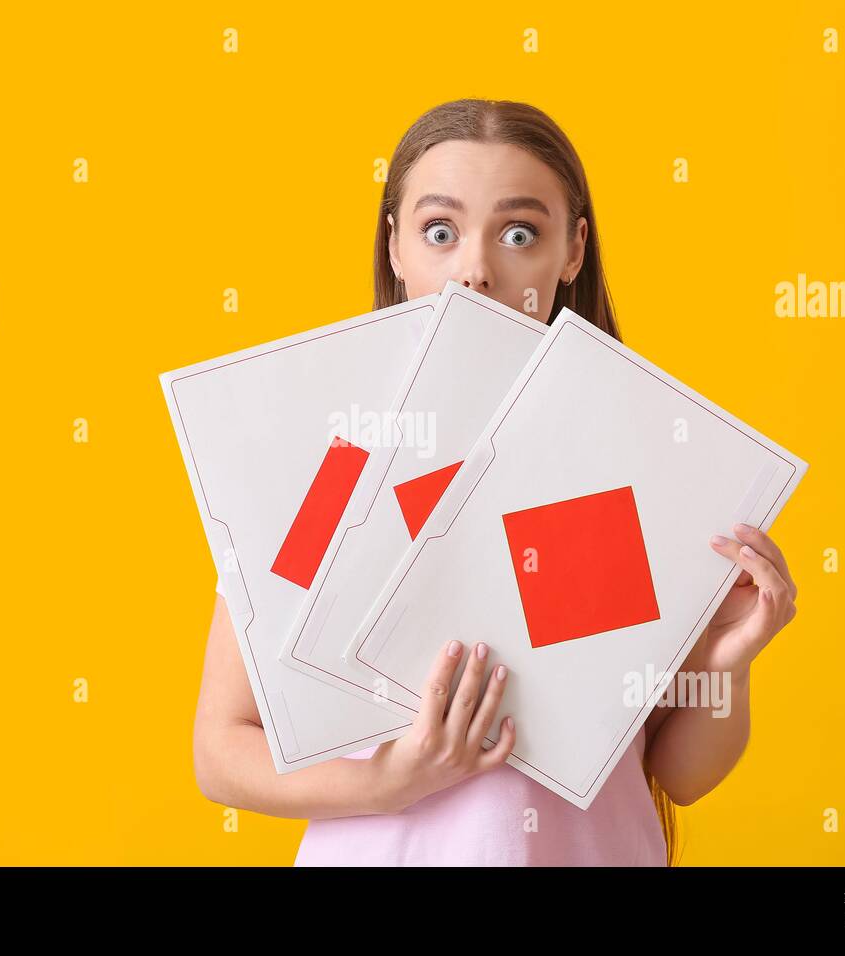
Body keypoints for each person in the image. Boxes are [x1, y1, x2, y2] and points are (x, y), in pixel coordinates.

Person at [192, 99, 799, 866]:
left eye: (520, 233)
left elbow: (678, 774)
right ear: (396, 248)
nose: (475, 269)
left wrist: (727, 663)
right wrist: (385, 785)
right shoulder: (341, 469)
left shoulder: (628, 467)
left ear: (572, 250)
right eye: (439, 232)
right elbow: (220, 748)